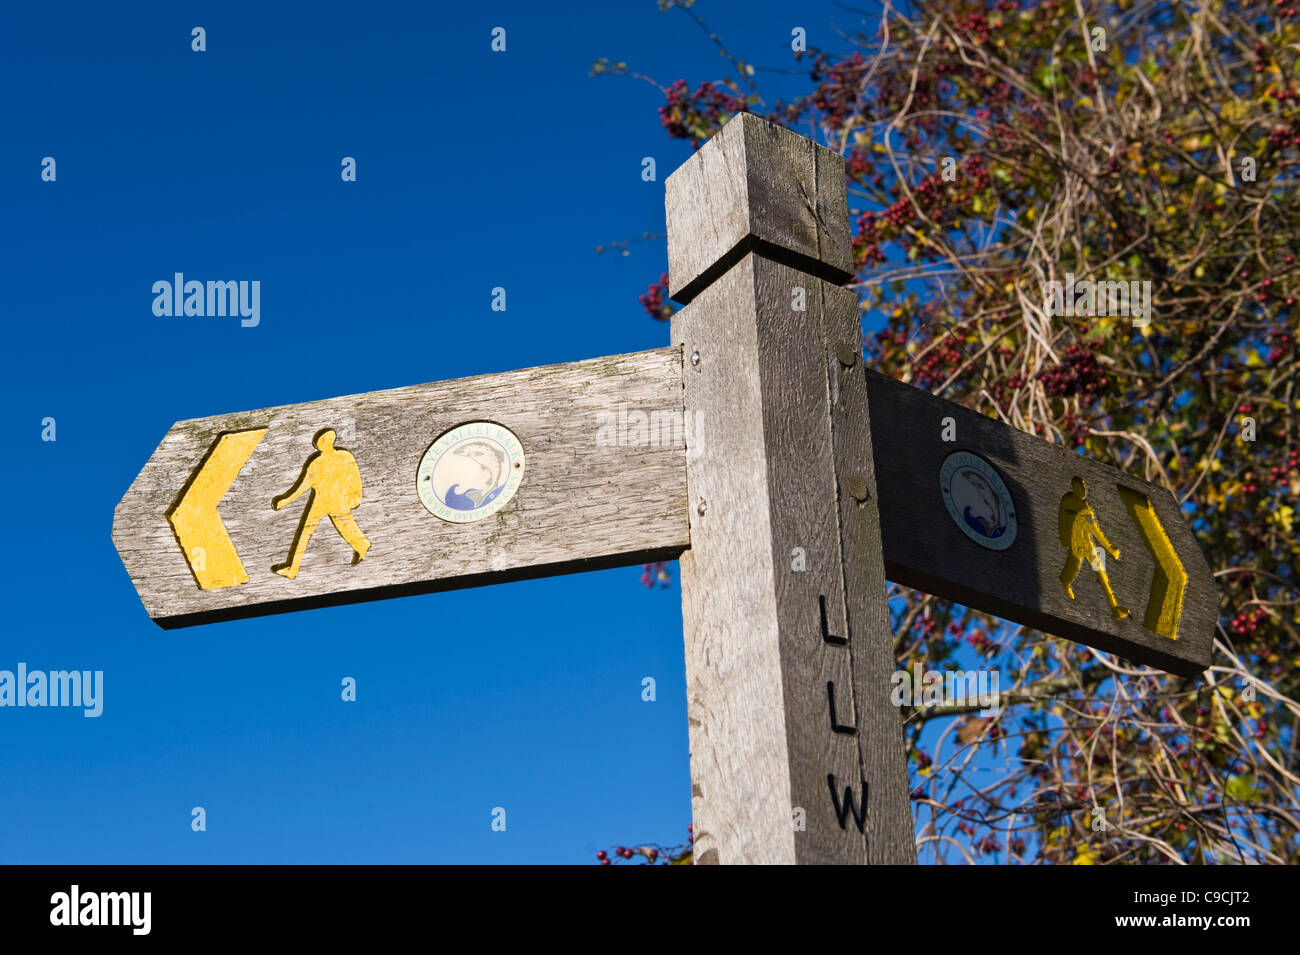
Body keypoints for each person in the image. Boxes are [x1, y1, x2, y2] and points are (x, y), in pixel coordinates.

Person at [271, 428, 370, 579]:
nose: (325, 442)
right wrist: (284, 501)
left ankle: (362, 545)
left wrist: (356, 496)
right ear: (318, 444)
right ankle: (292, 569)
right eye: (322, 441)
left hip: (339, 500)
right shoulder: (316, 462)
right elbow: (303, 485)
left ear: (332, 439)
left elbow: (355, 477)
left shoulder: (345, 456)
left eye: (328, 439)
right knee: (305, 532)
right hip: (320, 501)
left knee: (346, 527)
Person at [1058, 476, 1129, 619]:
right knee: (1072, 570)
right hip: (1075, 543)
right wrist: (1064, 539)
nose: (1083, 491)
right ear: (1073, 487)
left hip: (1087, 543)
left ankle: (1113, 608)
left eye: (1083, 488)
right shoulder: (1067, 500)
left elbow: (1095, 530)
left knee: (1101, 574)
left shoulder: (1086, 506)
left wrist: (1109, 548)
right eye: (1080, 487)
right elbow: (1062, 520)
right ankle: (1064, 588)